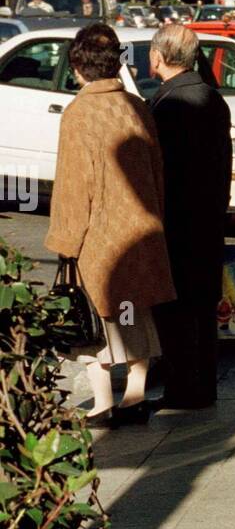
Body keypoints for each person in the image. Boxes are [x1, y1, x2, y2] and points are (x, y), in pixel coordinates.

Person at [45, 23, 175, 426]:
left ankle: (103, 403)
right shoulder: (138, 108)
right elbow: (158, 173)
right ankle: (135, 395)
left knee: (95, 320)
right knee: (134, 313)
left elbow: (72, 184)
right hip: (142, 230)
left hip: (99, 236)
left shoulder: (79, 113)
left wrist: (66, 240)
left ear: (79, 69)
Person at [149, 24, 233, 410]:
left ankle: (183, 386)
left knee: (176, 307)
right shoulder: (213, 99)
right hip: (209, 217)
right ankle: (204, 385)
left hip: (174, 222)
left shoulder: (165, 106)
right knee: (202, 304)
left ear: (159, 57)